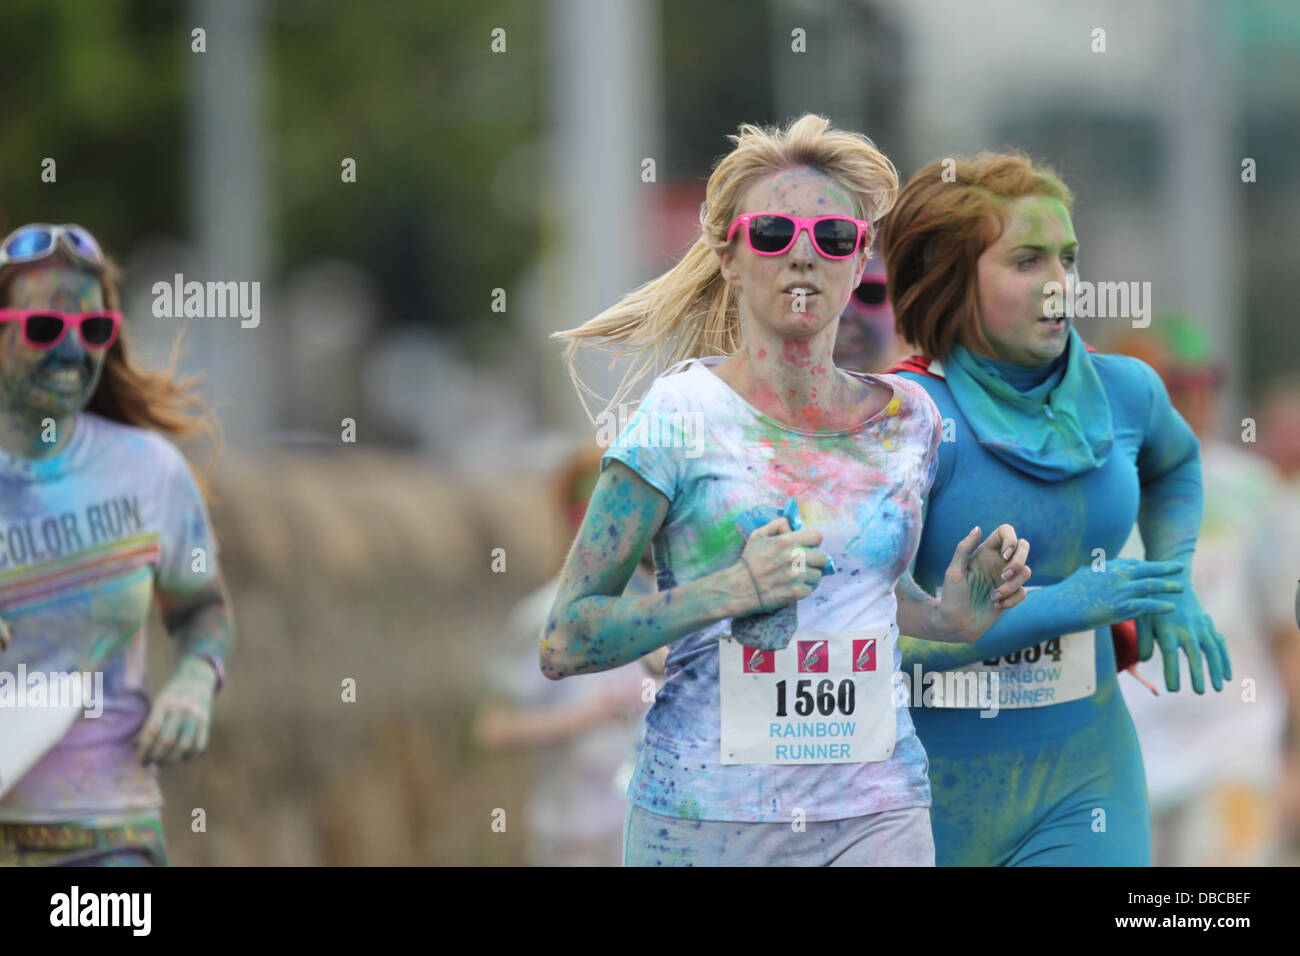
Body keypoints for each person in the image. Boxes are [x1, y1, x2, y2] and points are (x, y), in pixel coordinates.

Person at [544, 115, 1032, 867]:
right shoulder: (682, 417)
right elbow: (566, 637)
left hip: (879, 810)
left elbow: (858, 592)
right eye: (773, 232)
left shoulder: (911, 422)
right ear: (729, 255)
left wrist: (952, 617)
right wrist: (729, 589)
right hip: (708, 821)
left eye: (833, 237)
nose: (804, 254)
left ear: (860, 257)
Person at [880, 153, 1231, 866]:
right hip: (925, 797)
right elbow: (867, 643)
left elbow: (1176, 465)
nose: (1059, 286)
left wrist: (1175, 580)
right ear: (951, 278)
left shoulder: (1125, 390)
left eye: (1068, 259)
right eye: (1027, 261)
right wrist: (1064, 603)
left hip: (1086, 784)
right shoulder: (898, 420)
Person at [0, 224, 232, 866]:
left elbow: (201, 608)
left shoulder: (150, 470)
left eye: (94, 330)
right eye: (44, 329)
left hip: (108, 835)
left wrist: (193, 679)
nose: (73, 353)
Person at [1114, 314, 1300, 865]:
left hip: (1232, 758)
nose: (1196, 398)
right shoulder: (1097, 496)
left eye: (1208, 381)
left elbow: (1286, 636)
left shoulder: (1253, 490)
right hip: (1126, 768)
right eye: (1177, 383)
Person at [474, 444, 660, 866]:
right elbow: (493, 729)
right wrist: (583, 718)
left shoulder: (671, 608)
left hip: (650, 840)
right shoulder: (543, 616)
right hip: (574, 844)